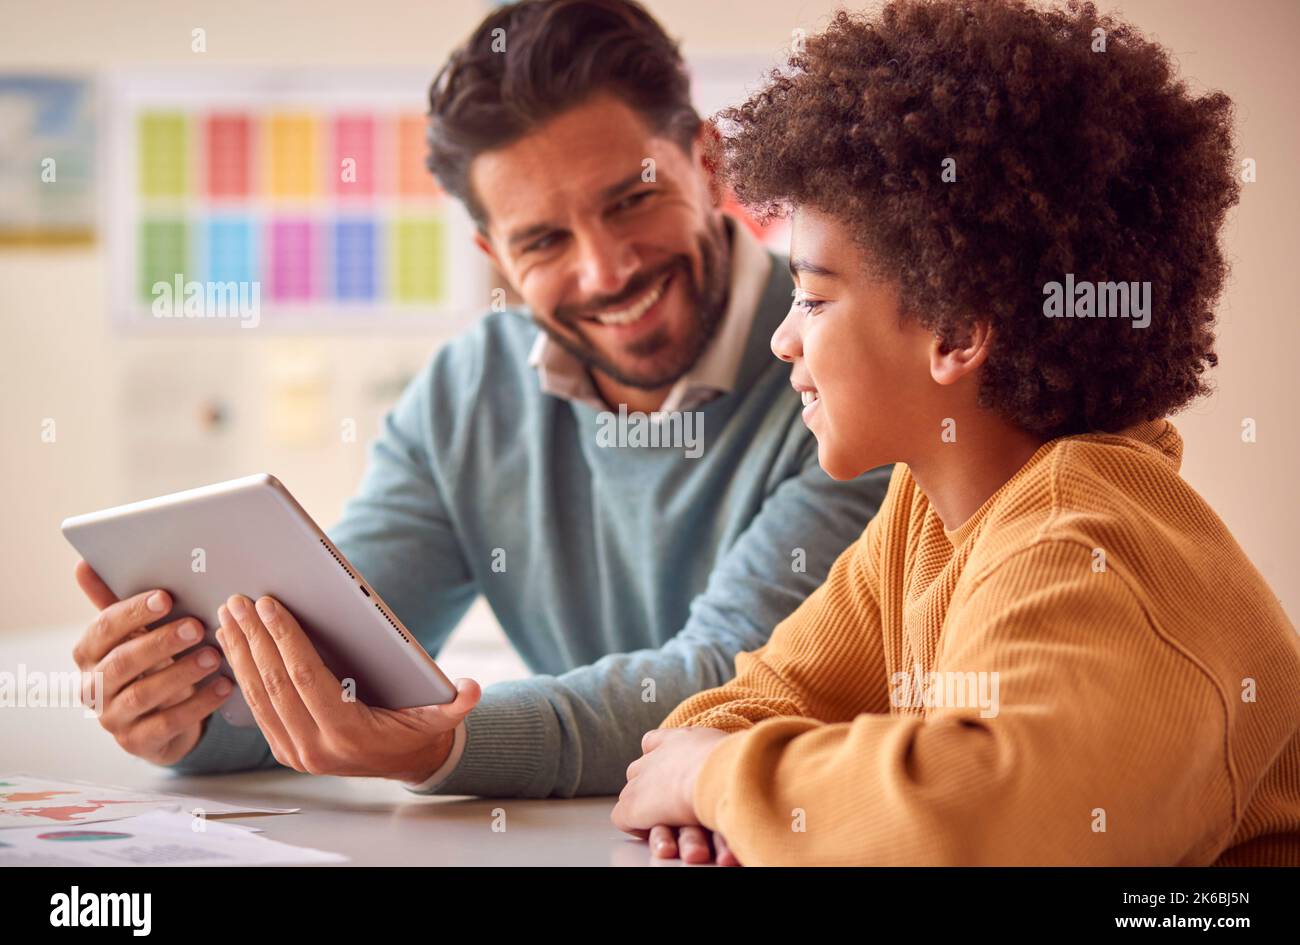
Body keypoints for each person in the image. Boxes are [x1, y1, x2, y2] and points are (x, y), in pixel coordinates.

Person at [69, 0, 889, 830]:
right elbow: (343, 661)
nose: (606, 272)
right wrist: (186, 713)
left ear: (709, 163)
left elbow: (735, 677)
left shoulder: (848, 366)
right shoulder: (467, 397)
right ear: (494, 256)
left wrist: (439, 745)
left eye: (629, 202)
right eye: (543, 242)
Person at [612, 0, 1300, 866]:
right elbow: (734, 711)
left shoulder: (1090, 545)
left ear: (956, 334)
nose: (784, 338)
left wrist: (719, 784)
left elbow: (968, 825)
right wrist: (711, 776)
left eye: (814, 298)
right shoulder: (928, 515)